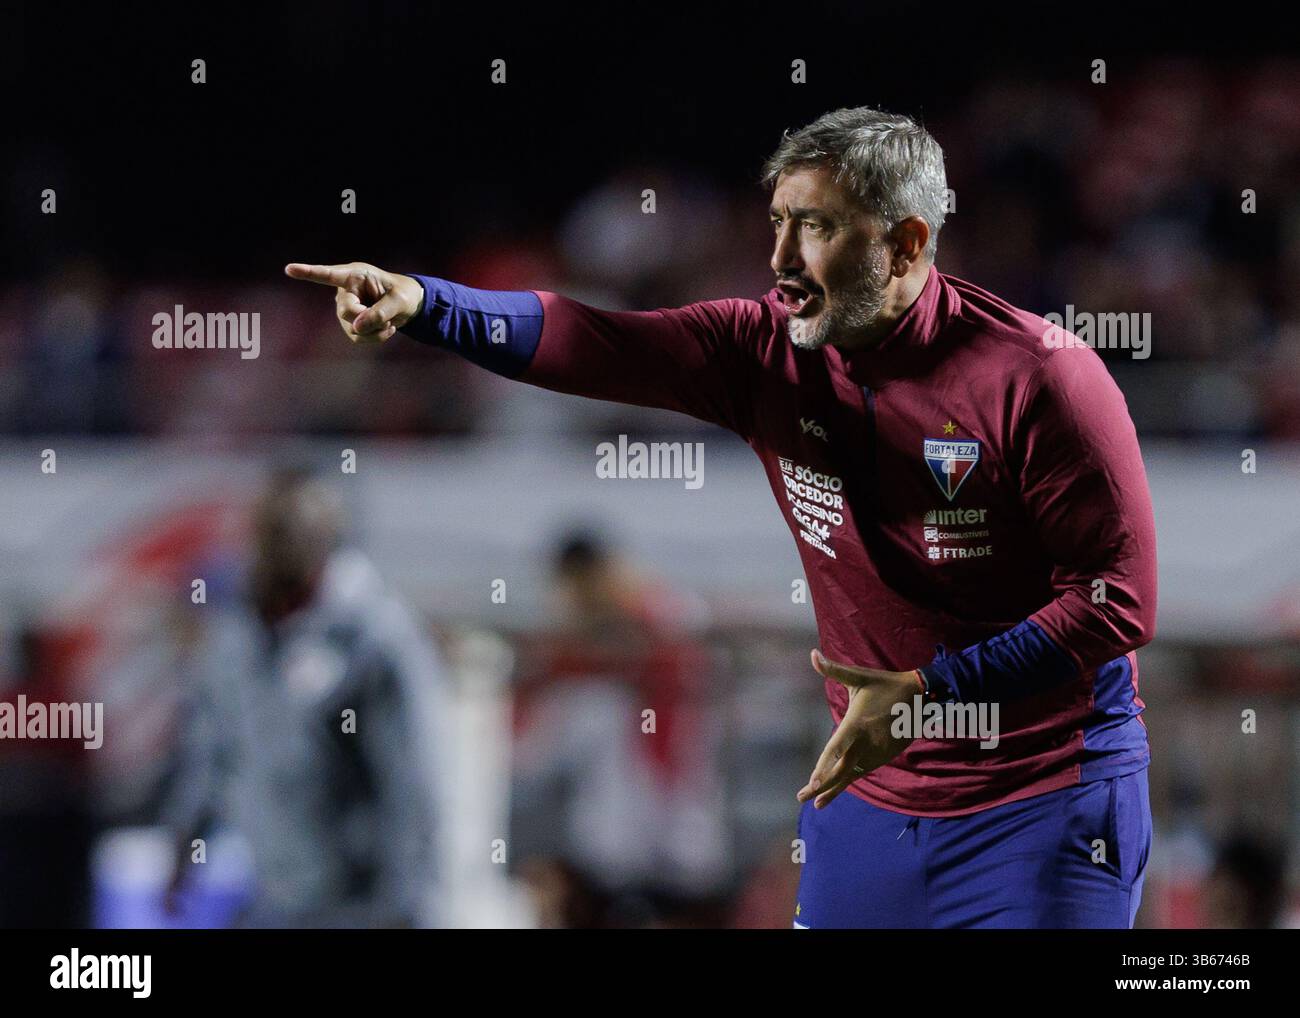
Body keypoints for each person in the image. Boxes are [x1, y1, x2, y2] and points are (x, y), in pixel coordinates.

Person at [285, 105, 1157, 929]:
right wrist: (429, 304)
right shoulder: (760, 351)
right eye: (776, 220)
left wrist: (937, 695)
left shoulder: (1043, 378)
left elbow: (1119, 601)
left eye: (814, 227)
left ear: (905, 243)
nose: (779, 256)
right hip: (868, 799)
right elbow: (590, 339)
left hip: (1043, 802)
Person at [162, 469, 449, 927]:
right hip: (275, 897)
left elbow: (413, 777)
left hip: (360, 903)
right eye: (269, 533)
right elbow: (212, 753)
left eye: (290, 533)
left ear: (324, 541)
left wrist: (412, 901)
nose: (276, 547)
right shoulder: (235, 639)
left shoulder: (372, 635)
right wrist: (184, 846)